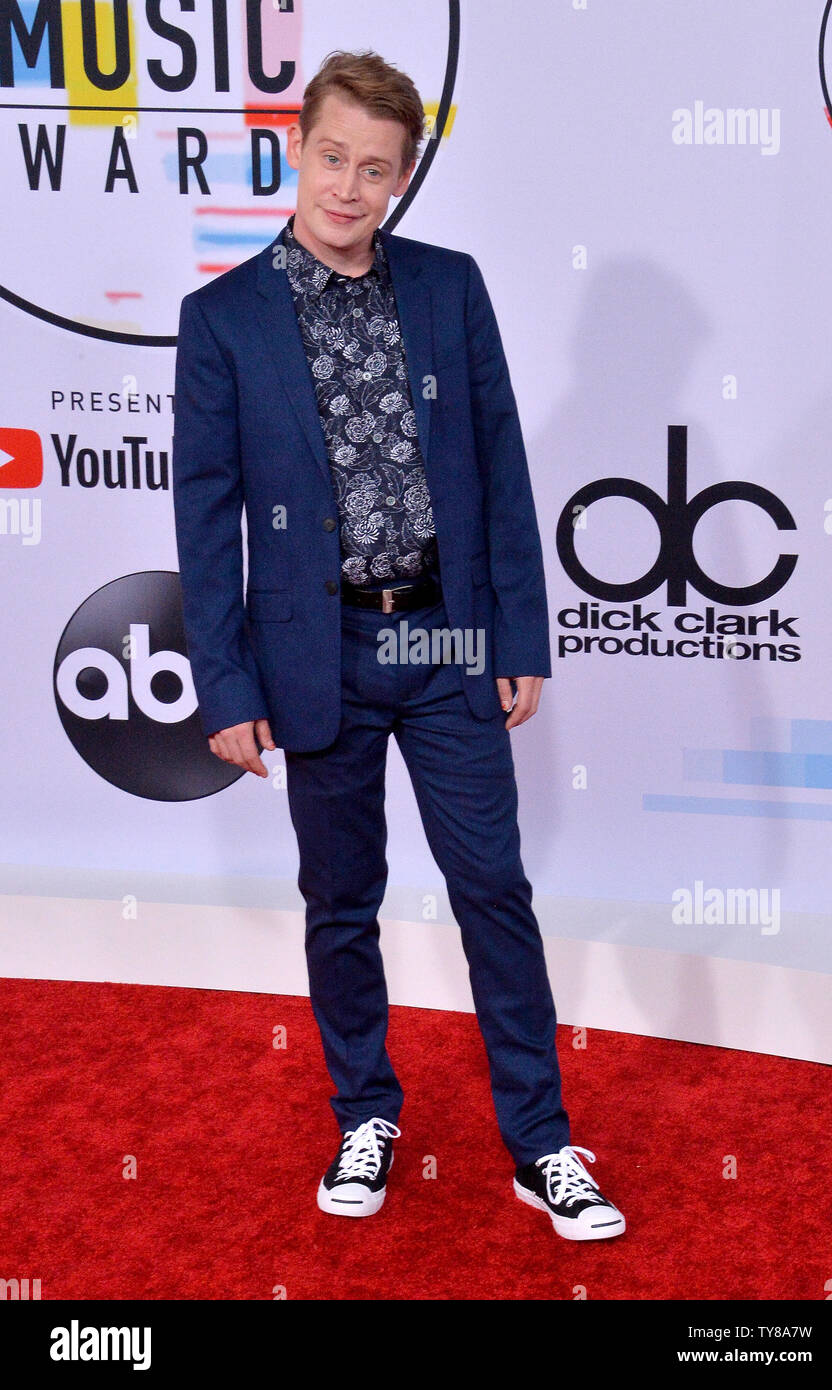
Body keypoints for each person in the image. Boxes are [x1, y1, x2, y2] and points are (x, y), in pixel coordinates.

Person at [172, 48, 624, 1242]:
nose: (348, 187)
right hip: (314, 656)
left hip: (452, 638)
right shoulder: (218, 321)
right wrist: (226, 682)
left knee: (494, 891)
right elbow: (206, 524)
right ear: (295, 151)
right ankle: (365, 1112)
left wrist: (517, 633)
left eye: (375, 168)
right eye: (332, 158)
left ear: (403, 175)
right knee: (341, 900)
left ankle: (541, 1141)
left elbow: (502, 471)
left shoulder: (449, 287)